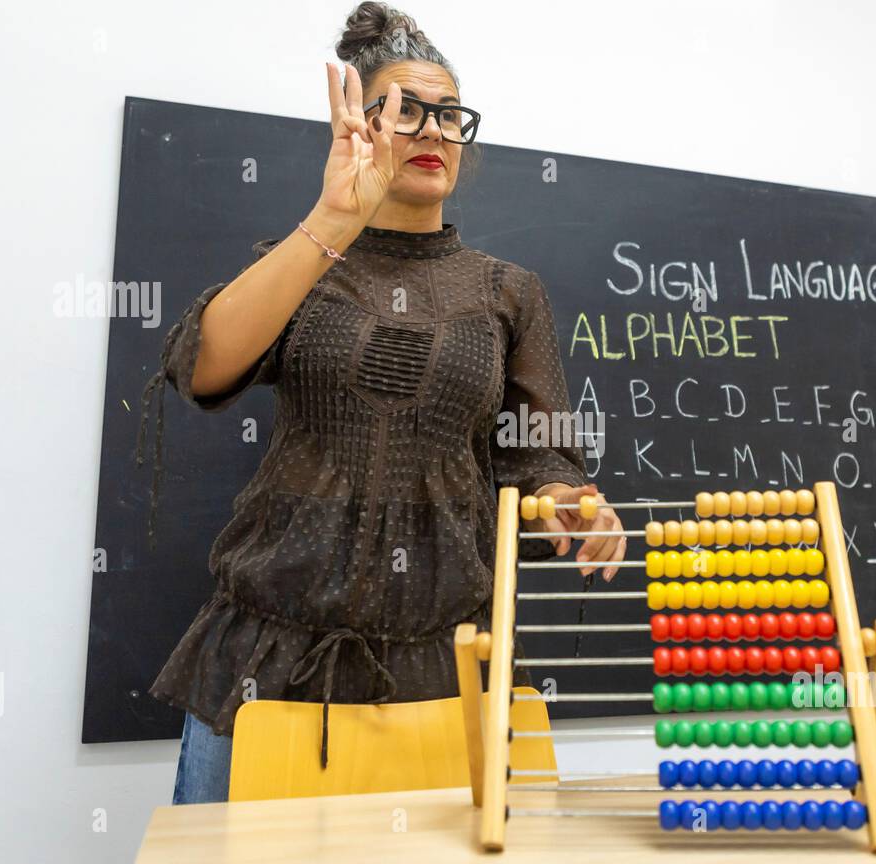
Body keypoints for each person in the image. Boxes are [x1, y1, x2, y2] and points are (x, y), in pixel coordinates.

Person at [136, 2, 626, 803]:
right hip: (270, 656)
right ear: (360, 127)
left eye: (449, 116)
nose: (433, 131)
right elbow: (201, 366)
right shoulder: (305, 263)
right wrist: (334, 216)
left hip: (447, 657)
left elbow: (538, 455)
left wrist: (565, 501)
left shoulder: (510, 292)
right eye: (405, 112)